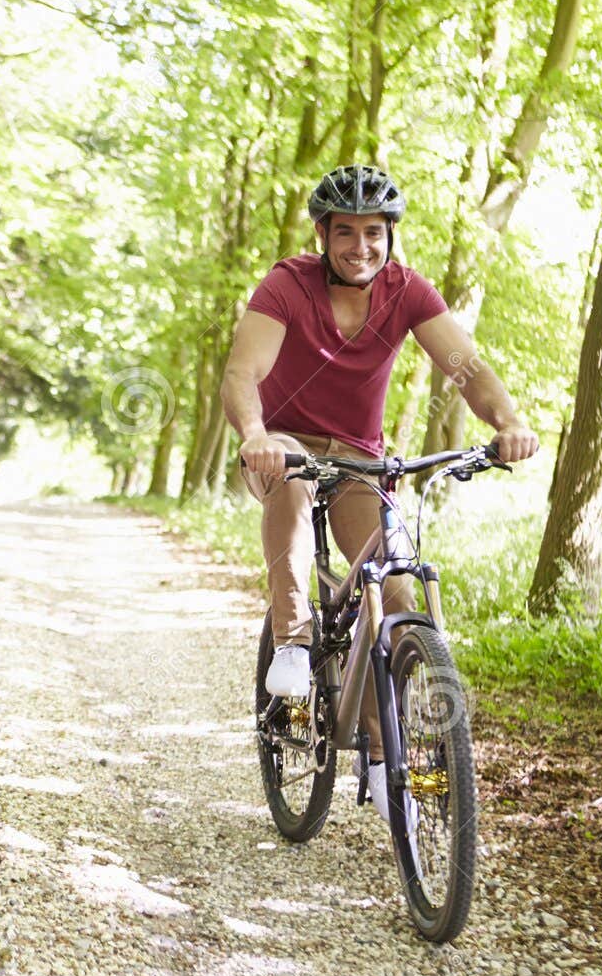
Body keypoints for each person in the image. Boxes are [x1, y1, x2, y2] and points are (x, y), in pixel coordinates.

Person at [221, 164, 539, 807]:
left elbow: (467, 368)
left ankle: (382, 756)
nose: (360, 246)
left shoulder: (407, 292)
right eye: (346, 233)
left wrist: (509, 421)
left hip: (361, 460)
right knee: (285, 468)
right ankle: (292, 638)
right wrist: (254, 432)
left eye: (373, 232)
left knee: (393, 591)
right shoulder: (288, 284)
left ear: (390, 235)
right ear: (322, 234)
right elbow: (241, 372)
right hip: (285, 445)